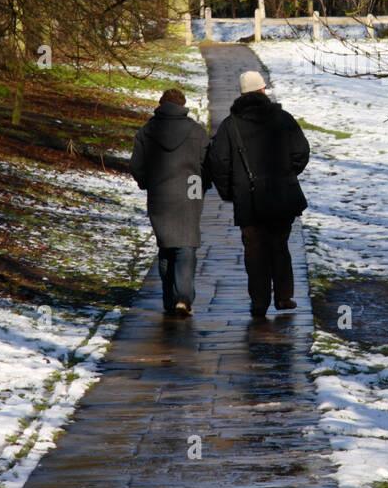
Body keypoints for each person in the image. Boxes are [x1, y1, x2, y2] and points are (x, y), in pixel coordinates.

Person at [208, 69, 310, 319]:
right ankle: (284, 297)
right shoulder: (283, 118)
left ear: (242, 93)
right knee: (280, 246)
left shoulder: (230, 126)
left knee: (254, 252)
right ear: (263, 90)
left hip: (248, 201)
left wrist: (231, 191)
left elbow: (217, 163)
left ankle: (259, 302)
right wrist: (287, 175)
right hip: (282, 197)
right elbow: (301, 152)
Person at [129, 87, 209, 316]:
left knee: (166, 246)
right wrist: (204, 182)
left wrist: (147, 182)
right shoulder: (196, 131)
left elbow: (136, 166)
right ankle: (183, 297)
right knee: (186, 244)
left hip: (160, 194)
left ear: (161, 104)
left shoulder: (147, 131)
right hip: (190, 190)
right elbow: (207, 162)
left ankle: (169, 299)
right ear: (182, 105)